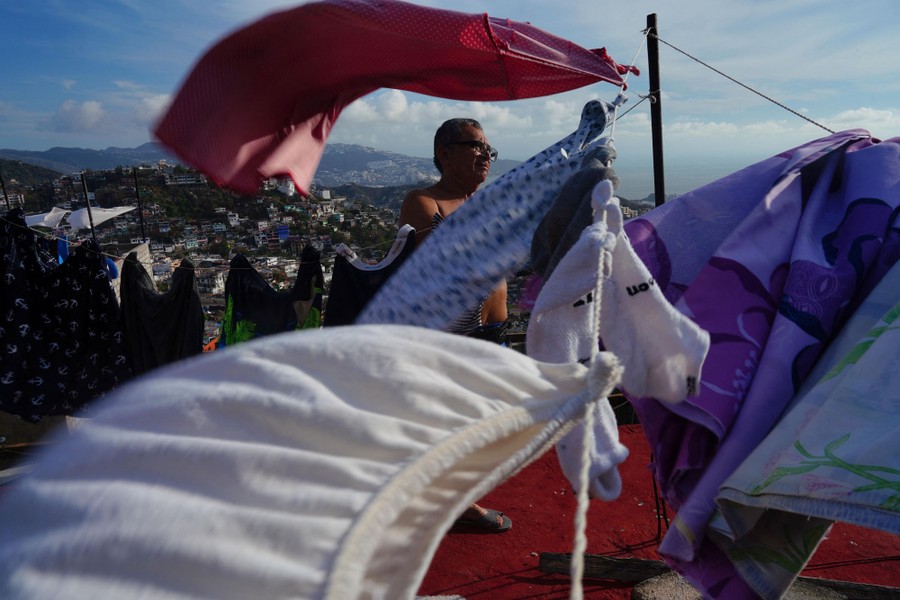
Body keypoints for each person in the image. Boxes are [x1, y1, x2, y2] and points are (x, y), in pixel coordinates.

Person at [398, 118, 511, 532]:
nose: (485, 155)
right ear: (444, 153)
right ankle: (457, 506)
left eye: (488, 149)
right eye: (475, 146)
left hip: (489, 331)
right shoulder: (424, 202)